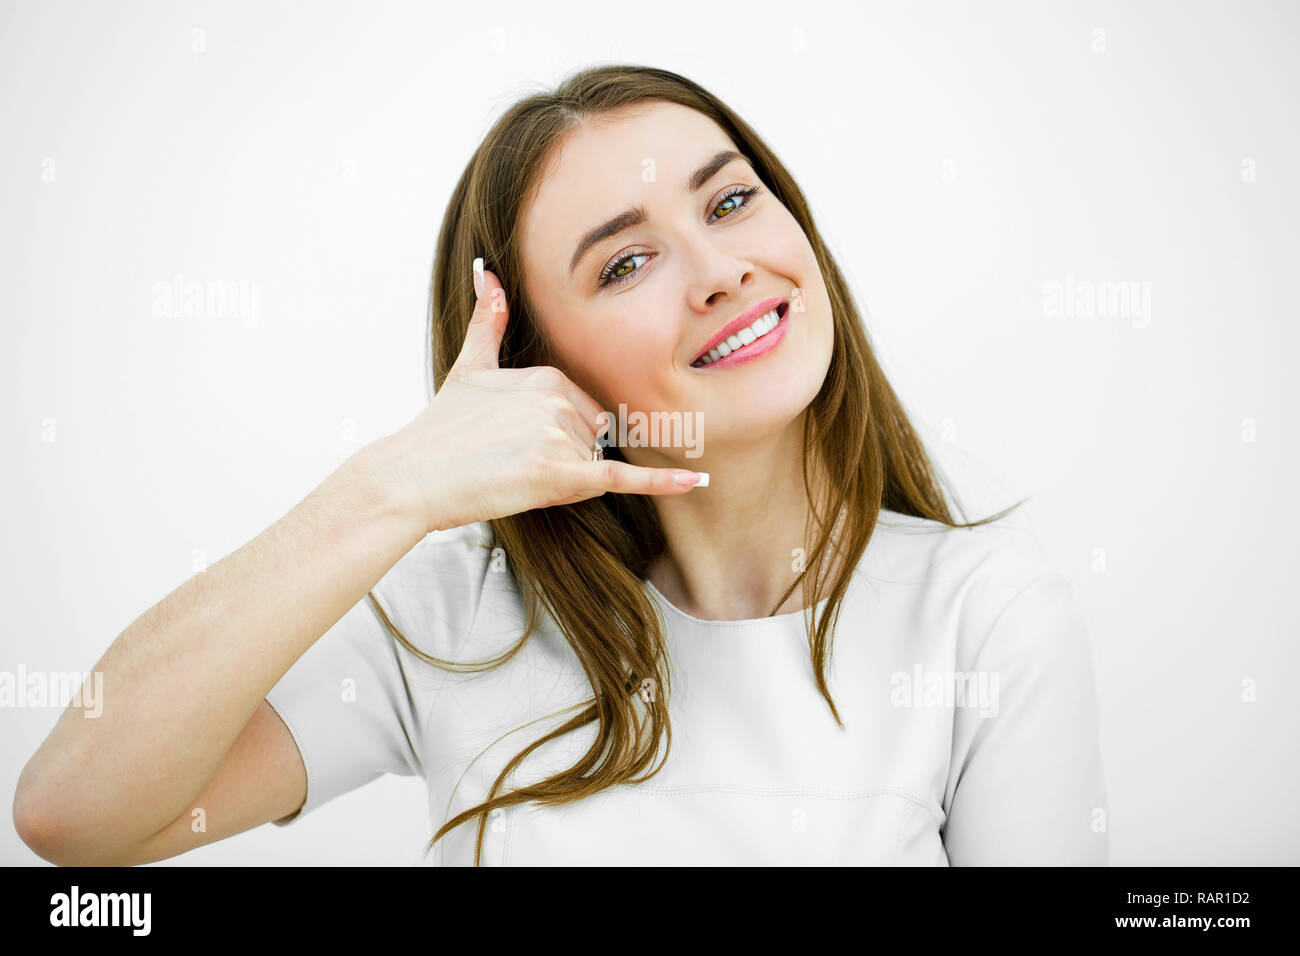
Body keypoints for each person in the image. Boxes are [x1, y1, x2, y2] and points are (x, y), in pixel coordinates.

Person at [14, 64, 1108, 867]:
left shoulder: (984, 615)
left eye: (730, 200)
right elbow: (75, 814)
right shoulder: (457, 618)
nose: (722, 269)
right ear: (541, 368)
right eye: (628, 261)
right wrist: (393, 484)